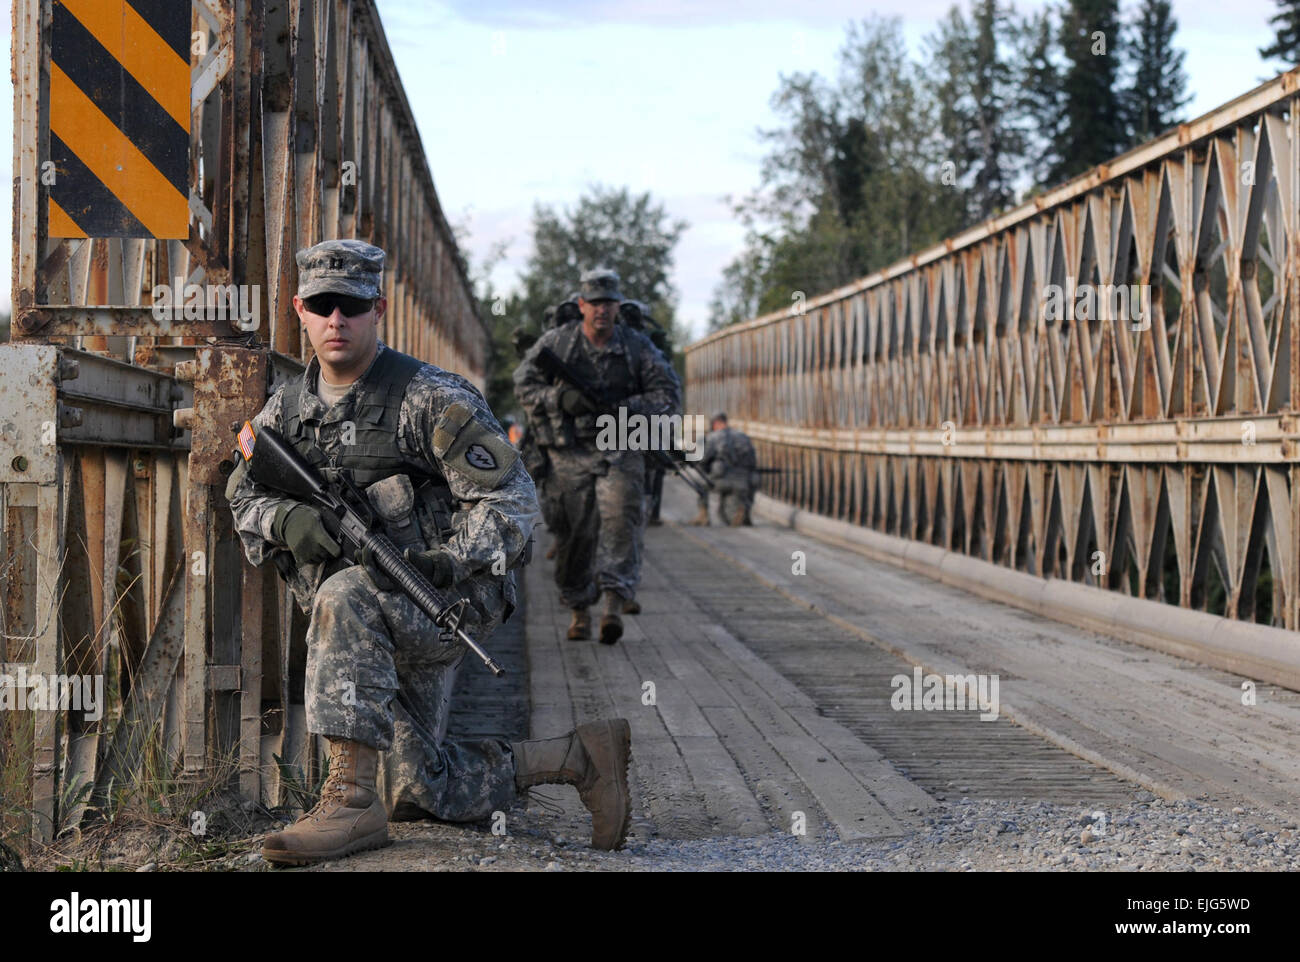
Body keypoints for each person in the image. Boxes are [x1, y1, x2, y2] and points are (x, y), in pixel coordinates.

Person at [226, 240, 632, 864]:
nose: (337, 320)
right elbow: (242, 492)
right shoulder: (286, 410)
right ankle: (578, 759)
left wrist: (450, 559)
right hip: (371, 629)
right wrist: (286, 518)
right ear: (298, 310)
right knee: (415, 786)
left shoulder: (429, 397)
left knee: (343, 592)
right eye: (322, 305)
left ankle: (350, 808)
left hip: (446, 602)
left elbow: (513, 500)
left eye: (354, 305)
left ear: (380, 308)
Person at [513, 267, 680, 643]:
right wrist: (560, 399)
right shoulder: (558, 343)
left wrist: (625, 409)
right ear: (581, 305)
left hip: (621, 443)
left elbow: (668, 394)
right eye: (595, 303)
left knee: (622, 523)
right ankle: (578, 609)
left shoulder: (638, 347)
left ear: (618, 307)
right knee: (574, 533)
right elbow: (524, 383)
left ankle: (612, 607)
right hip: (569, 451)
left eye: (609, 303)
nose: (602, 310)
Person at [691, 412, 758, 527]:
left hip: (721, 480)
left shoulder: (713, 437)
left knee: (699, 483)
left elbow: (702, 459)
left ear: (716, 423)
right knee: (749, 485)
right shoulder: (743, 436)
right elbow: (752, 461)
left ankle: (703, 516)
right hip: (744, 481)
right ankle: (744, 512)